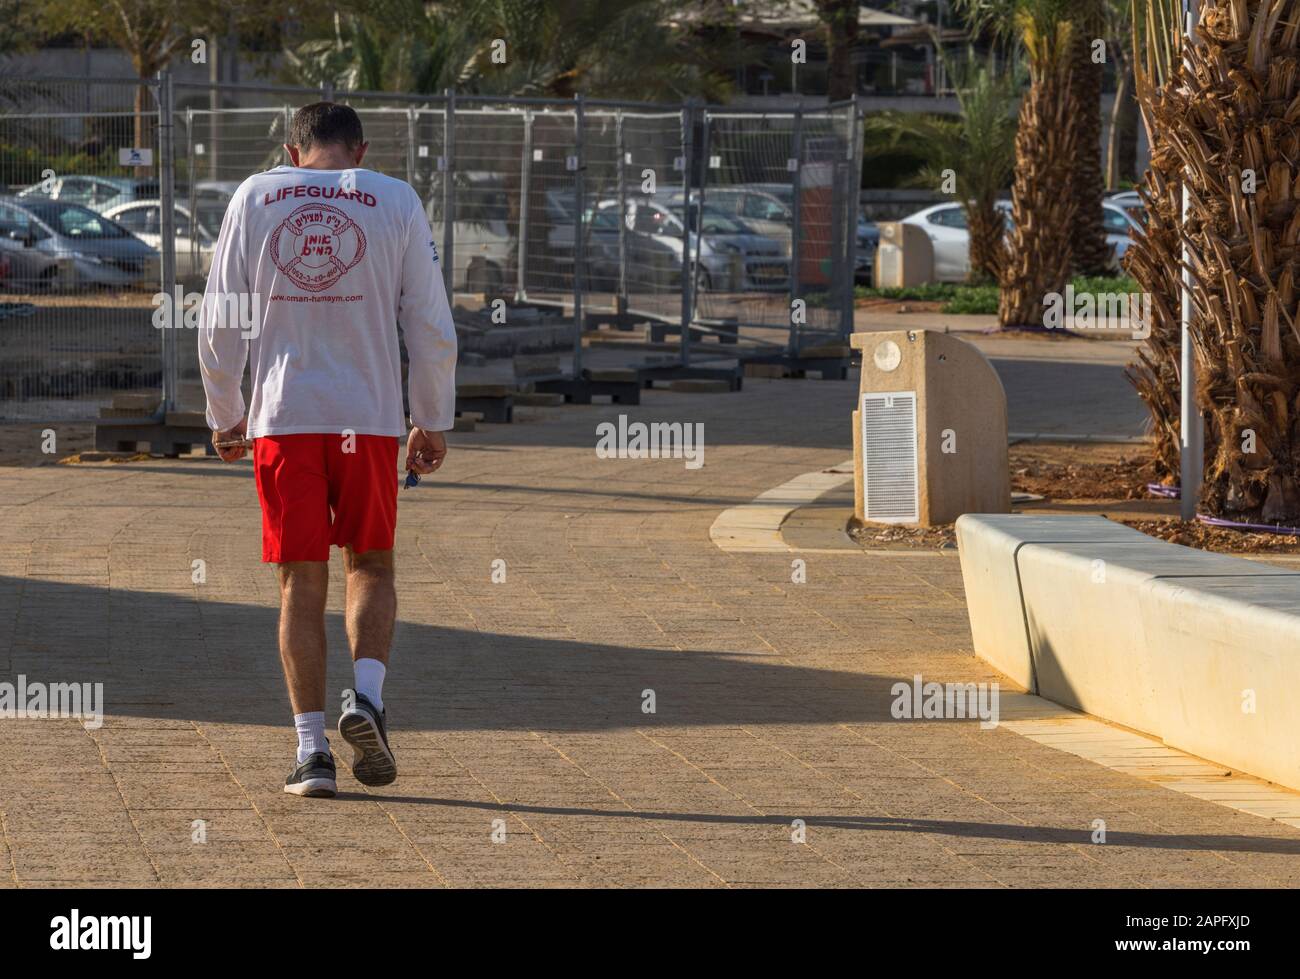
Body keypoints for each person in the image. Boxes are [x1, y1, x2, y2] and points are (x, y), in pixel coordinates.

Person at [198, 102, 457, 797]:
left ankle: (312, 753)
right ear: (361, 150)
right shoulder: (395, 198)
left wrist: (225, 411)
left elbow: (223, 310)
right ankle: (366, 697)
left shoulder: (255, 194)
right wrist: (430, 416)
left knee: (299, 583)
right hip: (368, 418)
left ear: (292, 149)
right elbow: (430, 321)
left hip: (284, 417)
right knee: (371, 563)